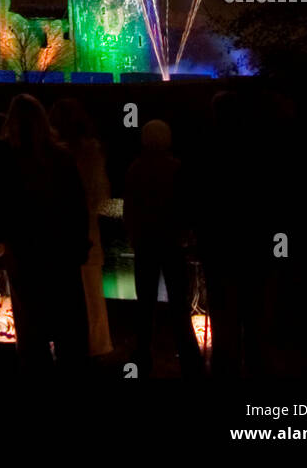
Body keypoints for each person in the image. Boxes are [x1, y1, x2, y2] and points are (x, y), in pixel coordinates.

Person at [0, 94, 90, 371]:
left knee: (32, 328)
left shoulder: (5, 159)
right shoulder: (61, 158)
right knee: (67, 325)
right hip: (61, 251)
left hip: (25, 252)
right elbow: (77, 206)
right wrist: (80, 245)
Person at [124, 118, 203, 379]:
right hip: (172, 243)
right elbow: (186, 206)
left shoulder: (136, 169)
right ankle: (190, 361)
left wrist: (134, 236)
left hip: (146, 243)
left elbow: (130, 210)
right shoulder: (176, 168)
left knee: (144, 305)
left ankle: (142, 358)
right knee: (179, 305)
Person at [49, 98, 113, 357]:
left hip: (58, 234)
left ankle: (66, 347)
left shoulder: (52, 154)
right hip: (88, 232)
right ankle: (95, 346)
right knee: (92, 294)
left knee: (63, 295)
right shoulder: (91, 152)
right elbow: (101, 196)